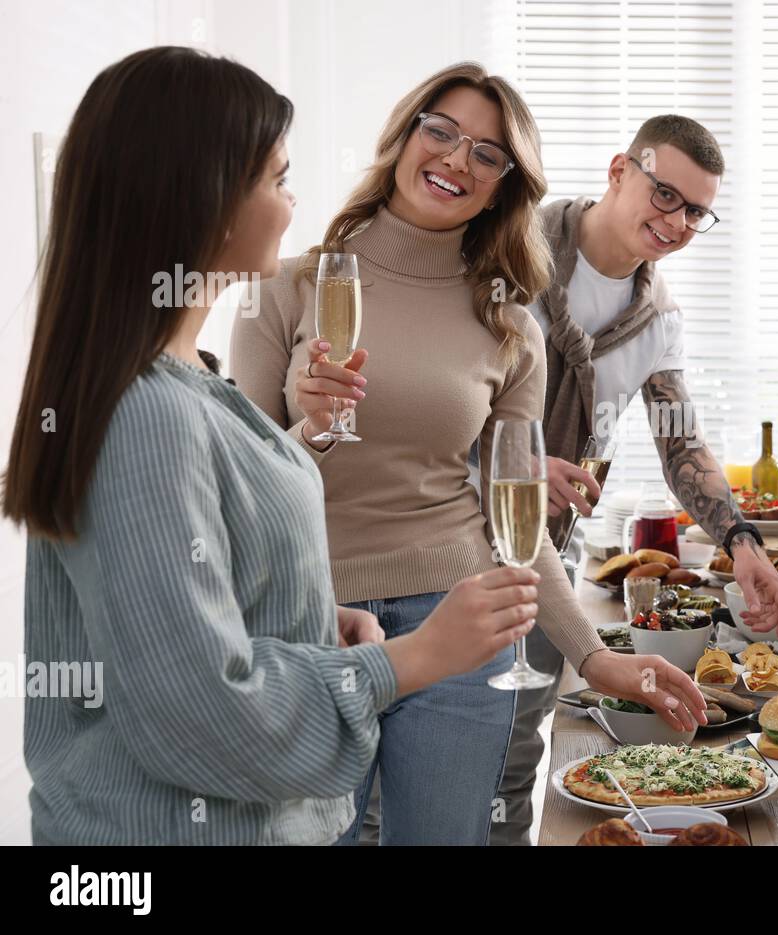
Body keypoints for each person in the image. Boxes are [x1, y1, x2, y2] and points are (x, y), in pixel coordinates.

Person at [6, 46, 541, 845]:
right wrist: (408, 659)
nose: (293, 204)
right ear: (209, 199)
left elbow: (194, 604)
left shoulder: (188, 384)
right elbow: (199, 710)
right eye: (278, 179)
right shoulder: (148, 415)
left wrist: (308, 620)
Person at [231, 62, 707, 845]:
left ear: (502, 187)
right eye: (441, 131)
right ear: (404, 135)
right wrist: (307, 431)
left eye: (487, 154)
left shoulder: (509, 325)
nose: (457, 159)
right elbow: (240, 498)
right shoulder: (283, 288)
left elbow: (514, 524)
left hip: (461, 623)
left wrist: (594, 658)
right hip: (310, 622)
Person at [489, 115, 778, 845]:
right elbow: (440, 394)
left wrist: (742, 542)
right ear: (619, 170)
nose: (678, 222)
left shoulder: (659, 319)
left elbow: (680, 441)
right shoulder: (509, 249)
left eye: (696, 211)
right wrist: (516, 468)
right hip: (450, 536)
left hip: (546, 551)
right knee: (426, 759)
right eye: (666, 195)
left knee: (514, 757)